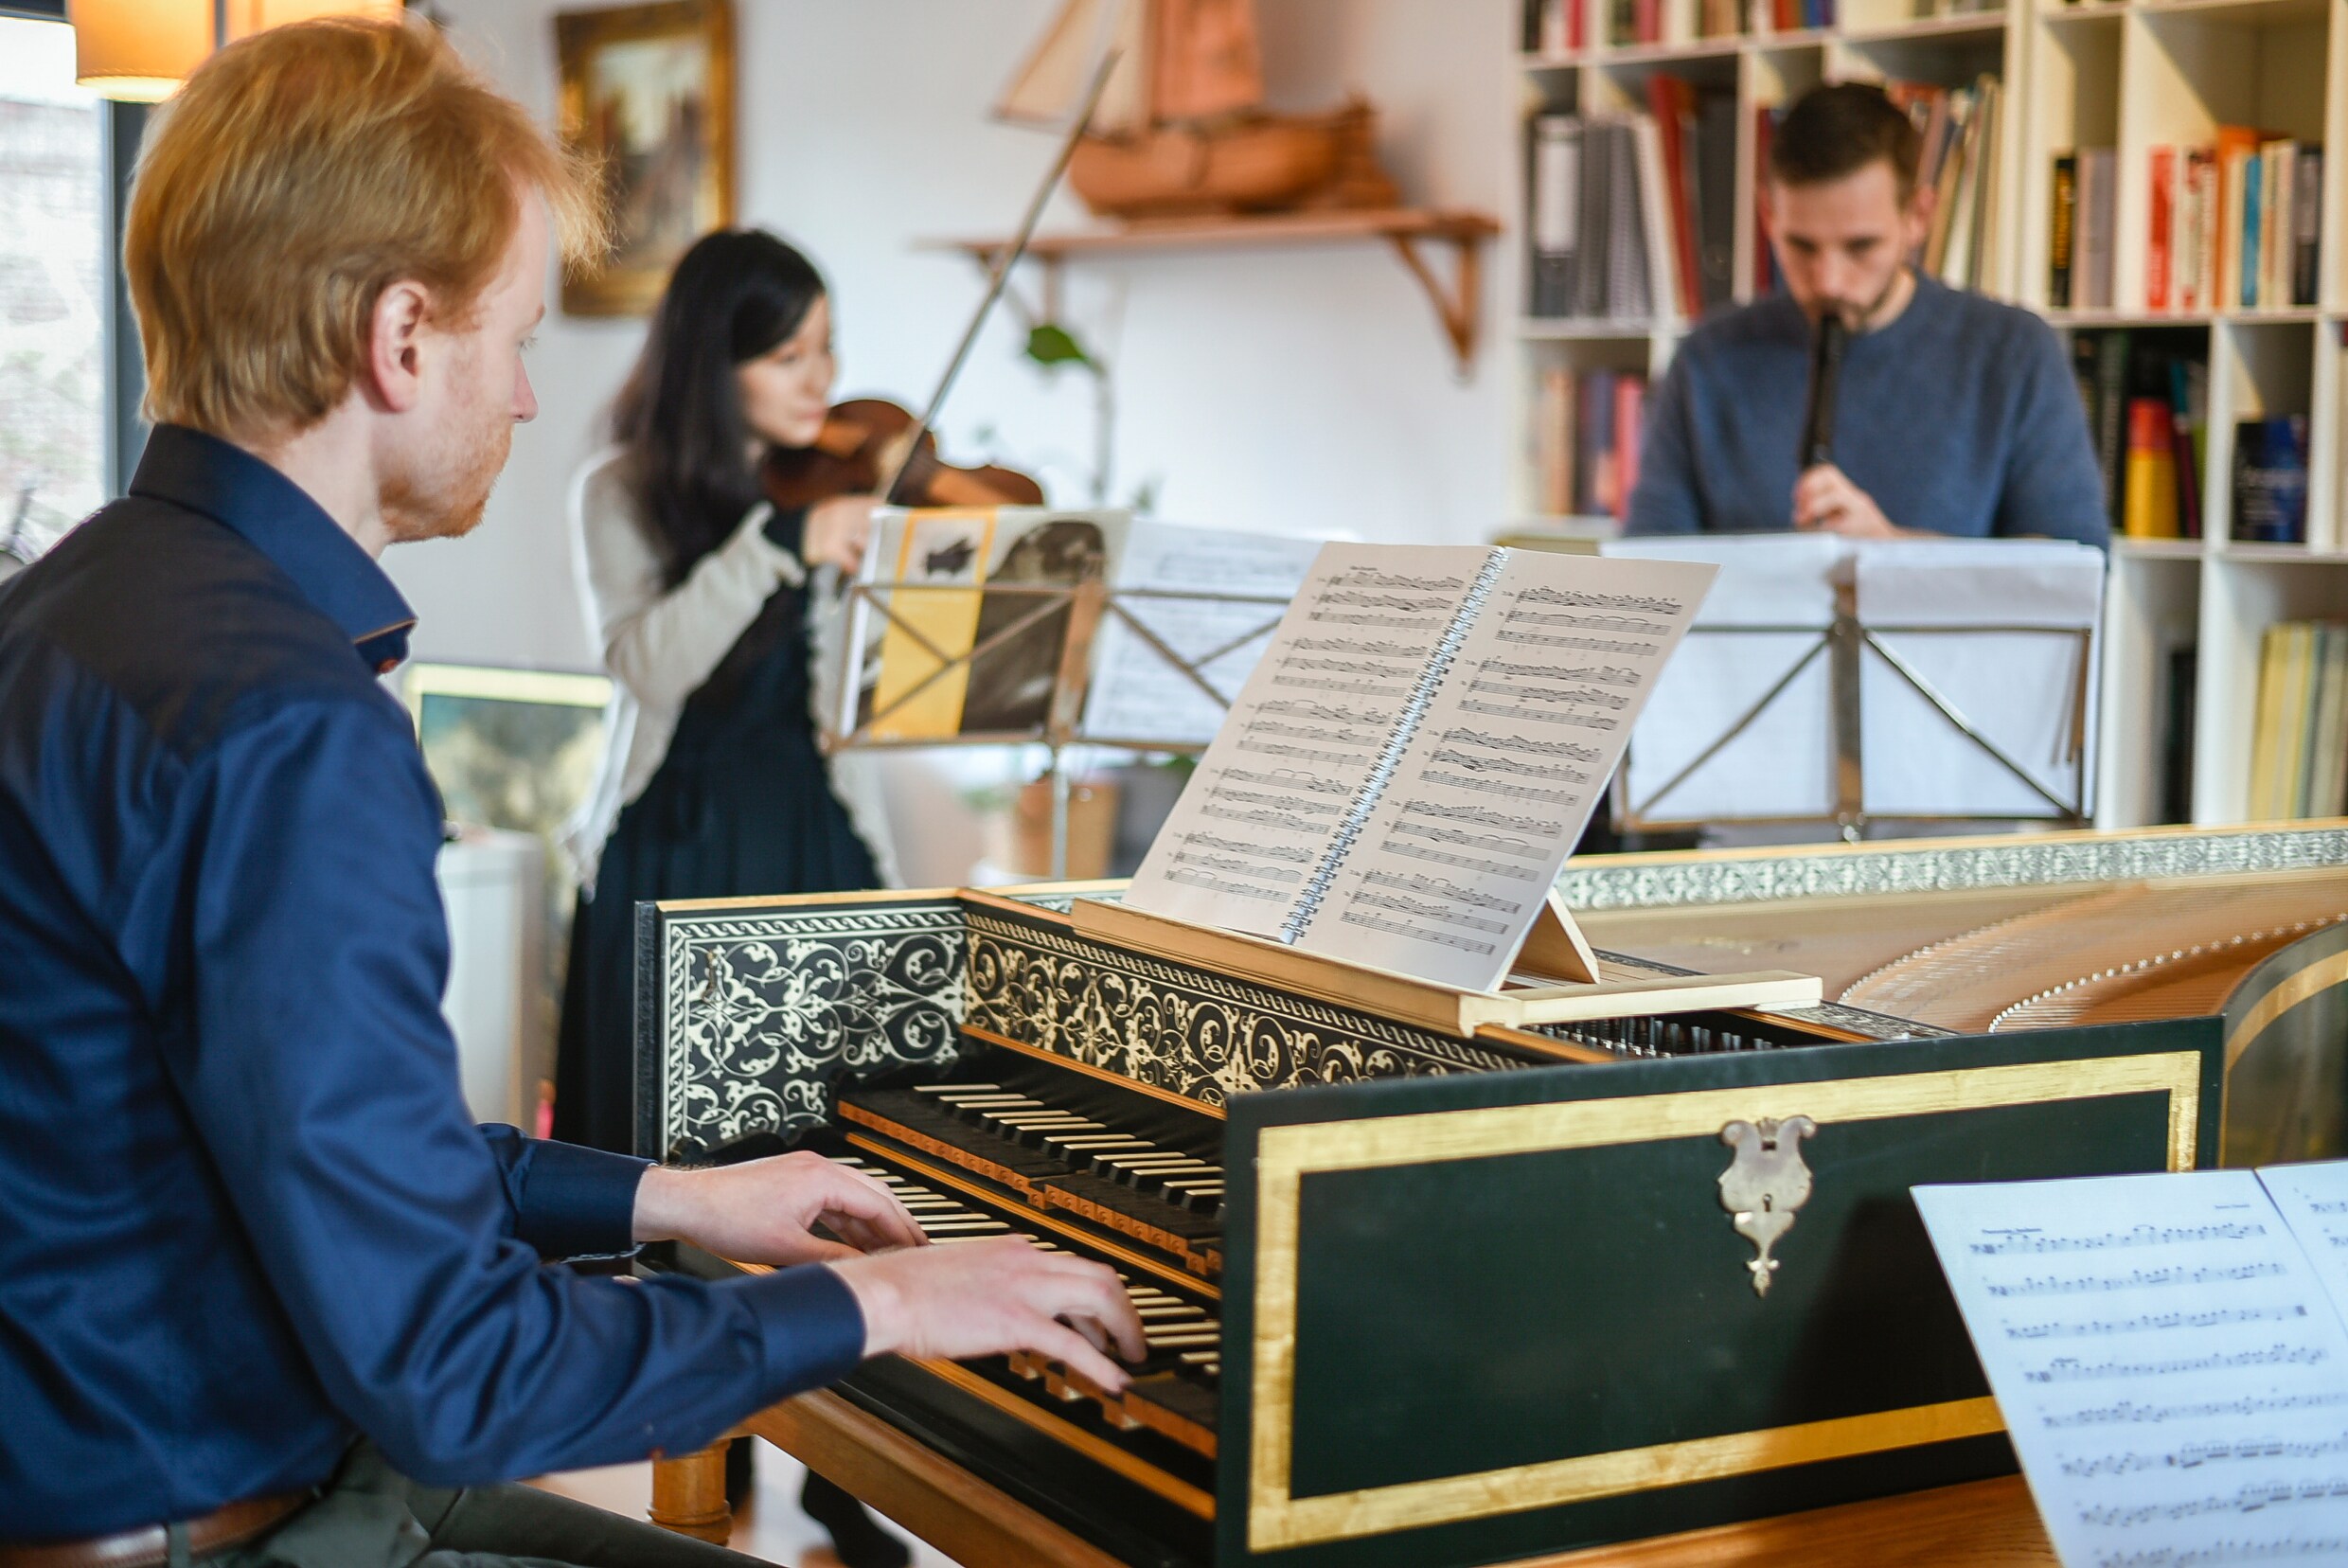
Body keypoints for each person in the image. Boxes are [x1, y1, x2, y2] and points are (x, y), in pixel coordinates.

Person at [0, 18, 1141, 1567]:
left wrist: (675, 1196)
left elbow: (314, 1146)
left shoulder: (72, 607)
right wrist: (879, 1300)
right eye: (518, 339)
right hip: (217, 1518)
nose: (531, 399)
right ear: (401, 339)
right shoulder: (288, 725)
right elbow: (455, 1370)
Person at [552, 230, 898, 1566]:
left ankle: (845, 1465)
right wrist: (778, 542)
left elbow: (858, 715)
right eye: (789, 351)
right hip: (676, 853)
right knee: (691, 1173)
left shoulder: (838, 491)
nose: (824, 378)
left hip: (808, 839)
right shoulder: (624, 489)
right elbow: (649, 667)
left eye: (829, 347)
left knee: (836, 1160)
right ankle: (703, 1444)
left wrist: (877, 587)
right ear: (719, 358)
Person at [1627, 81, 2108, 547]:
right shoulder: (1708, 357)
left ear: (1917, 217)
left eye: (1861, 246)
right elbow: (1648, 570)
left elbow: (2075, 563)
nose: (1829, 281)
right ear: (1768, 215)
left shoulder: (2016, 351)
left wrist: (1893, 550)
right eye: (1801, 245)